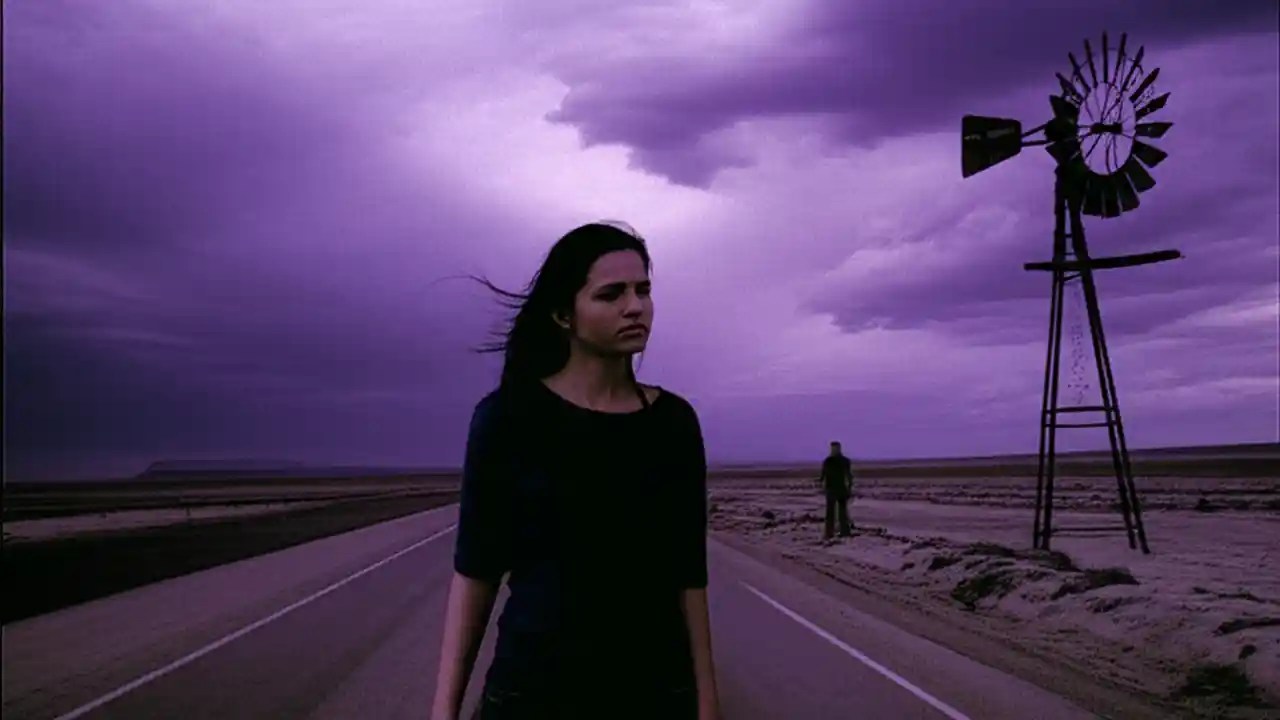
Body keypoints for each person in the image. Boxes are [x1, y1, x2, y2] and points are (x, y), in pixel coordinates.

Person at [430, 221, 721, 720]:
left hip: (655, 695)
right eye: (612, 294)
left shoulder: (673, 423)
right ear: (565, 314)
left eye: (643, 290)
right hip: (533, 694)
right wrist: (444, 710)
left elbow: (688, 574)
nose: (636, 306)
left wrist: (707, 702)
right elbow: (476, 572)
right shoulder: (508, 419)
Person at [821, 441, 854, 540]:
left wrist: (849, 488)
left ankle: (844, 532)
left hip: (840, 490)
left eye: (835, 448)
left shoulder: (844, 461)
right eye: (833, 448)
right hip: (831, 489)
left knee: (842, 513)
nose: (834, 450)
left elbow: (849, 476)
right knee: (830, 513)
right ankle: (829, 533)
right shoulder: (828, 461)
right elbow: (823, 476)